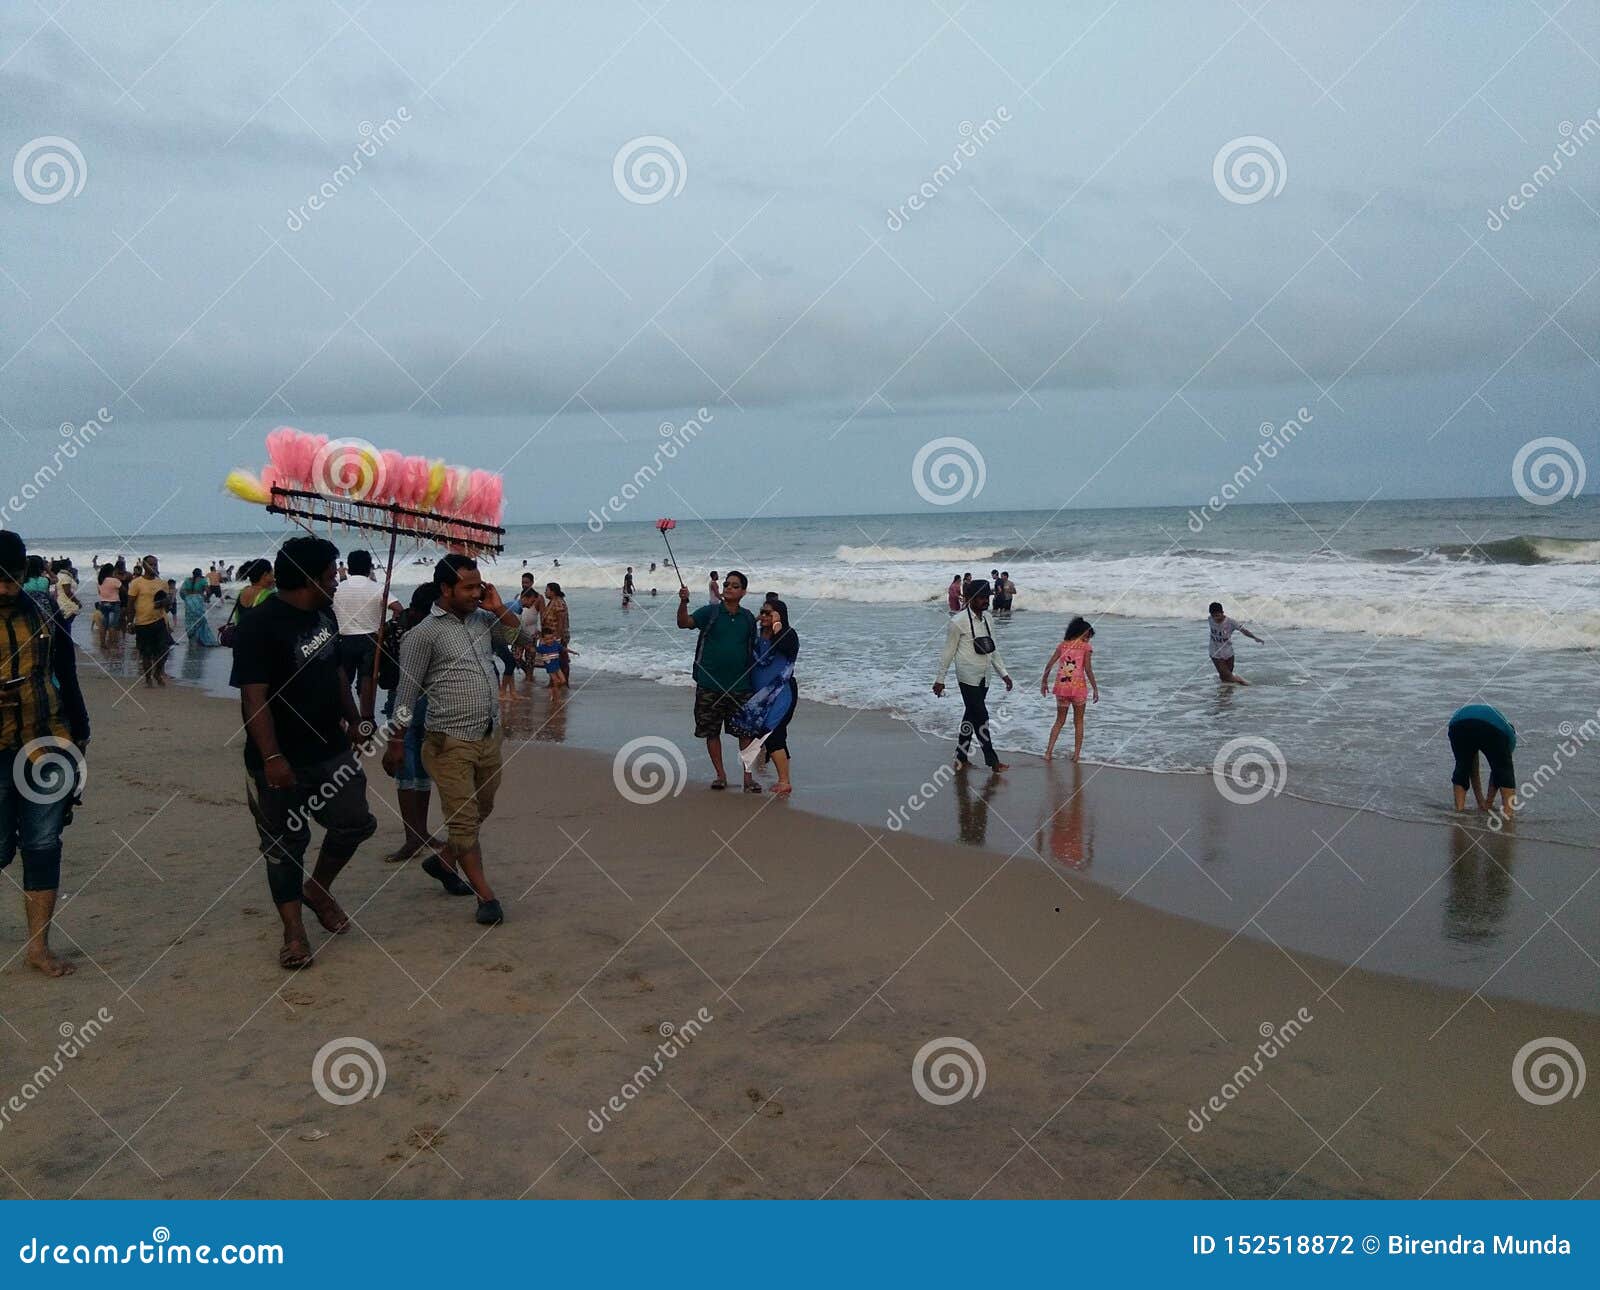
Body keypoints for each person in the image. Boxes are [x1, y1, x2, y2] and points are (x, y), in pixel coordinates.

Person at [229, 537, 378, 969]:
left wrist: (355, 719)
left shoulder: (325, 615)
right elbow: (253, 698)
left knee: (355, 822)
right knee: (284, 845)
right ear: (310, 578)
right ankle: (293, 933)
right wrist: (272, 758)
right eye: (331, 574)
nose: (337, 581)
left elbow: (336, 674)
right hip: (279, 757)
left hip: (331, 749)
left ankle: (318, 887)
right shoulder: (259, 625)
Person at [386, 555, 528, 925]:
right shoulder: (423, 635)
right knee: (463, 820)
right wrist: (396, 741)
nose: (476, 592)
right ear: (446, 589)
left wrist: (498, 608)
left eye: (479, 585)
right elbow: (406, 693)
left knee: (483, 807)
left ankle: (445, 861)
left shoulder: (484, 620)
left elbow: (522, 640)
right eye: (468, 587)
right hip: (448, 742)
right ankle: (486, 897)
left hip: (488, 736)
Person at [0, 531, 90, 977]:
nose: (5, 588)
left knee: (43, 845)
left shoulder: (44, 611)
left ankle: (38, 948)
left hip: (45, 743)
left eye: (12, 578)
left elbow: (66, 674)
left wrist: (81, 736)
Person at [677, 569, 758, 790]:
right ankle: (720, 775)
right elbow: (683, 623)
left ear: (743, 592)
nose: (729, 588)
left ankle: (748, 777)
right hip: (709, 684)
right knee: (711, 732)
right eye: (726, 584)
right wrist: (683, 602)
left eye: (734, 585)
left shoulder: (748, 618)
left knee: (746, 733)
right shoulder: (710, 612)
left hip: (741, 685)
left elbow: (754, 648)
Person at [383, 583, 444, 864]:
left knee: (422, 768)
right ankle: (412, 836)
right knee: (406, 770)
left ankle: (421, 832)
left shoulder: (406, 627)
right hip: (404, 700)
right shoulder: (399, 631)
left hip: (429, 700)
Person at [933, 578, 1012, 771]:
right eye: (981, 598)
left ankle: (961, 755)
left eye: (987, 597)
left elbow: (993, 649)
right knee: (981, 717)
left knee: (970, 715)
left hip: (985, 676)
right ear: (969, 598)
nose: (986, 601)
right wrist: (940, 679)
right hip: (967, 676)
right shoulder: (958, 622)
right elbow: (948, 652)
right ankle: (992, 760)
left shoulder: (989, 619)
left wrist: (1004, 674)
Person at [730, 597, 799, 796]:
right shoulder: (757, 636)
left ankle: (784, 782)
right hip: (760, 697)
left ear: (779, 615)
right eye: (762, 612)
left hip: (781, 693)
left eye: (769, 612)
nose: (764, 615)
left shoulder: (788, 634)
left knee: (773, 735)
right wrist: (754, 620)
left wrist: (777, 624)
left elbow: (787, 647)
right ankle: (784, 779)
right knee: (774, 735)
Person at [333, 549, 384, 719]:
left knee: (344, 680)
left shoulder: (337, 588)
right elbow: (397, 608)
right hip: (370, 638)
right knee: (366, 678)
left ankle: (343, 718)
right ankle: (367, 717)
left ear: (349, 567)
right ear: (369, 567)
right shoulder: (377, 587)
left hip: (344, 638)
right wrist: (385, 627)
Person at [1448, 703, 1518, 820]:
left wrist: (1481, 801)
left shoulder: (1502, 724)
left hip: (1458, 723)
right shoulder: (1509, 737)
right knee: (1505, 772)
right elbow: (1499, 772)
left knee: (1462, 766)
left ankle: (1459, 812)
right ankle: (1508, 816)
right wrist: (1489, 802)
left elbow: (1472, 769)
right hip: (1491, 726)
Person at [1042, 617, 1097, 762]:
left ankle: (1048, 752)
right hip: (1078, 689)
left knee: (1059, 721)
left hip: (1061, 688)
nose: (1088, 639)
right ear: (1081, 632)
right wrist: (1095, 688)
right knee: (1078, 722)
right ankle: (1076, 755)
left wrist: (1044, 682)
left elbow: (1049, 665)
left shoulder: (1062, 645)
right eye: (1087, 636)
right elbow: (1088, 670)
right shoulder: (1086, 648)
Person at [126, 556, 169, 687]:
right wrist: (129, 622)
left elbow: (167, 605)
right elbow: (130, 604)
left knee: (164, 651)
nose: (154, 567)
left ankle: (158, 673)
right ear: (144, 566)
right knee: (146, 653)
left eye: (155, 564)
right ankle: (148, 678)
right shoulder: (136, 583)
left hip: (159, 621)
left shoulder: (162, 583)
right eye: (151, 564)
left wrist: (166, 602)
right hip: (143, 623)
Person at [1207, 601, 1262, 685]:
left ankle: (1226, 692)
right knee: (1228, 676)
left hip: (1229, 652)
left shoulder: (1231, 622)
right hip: (1215, 653)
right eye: (1213, 616)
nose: (1215, 618)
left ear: (1222, 612)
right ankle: (1246, 684)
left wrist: (1254, 638)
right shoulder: (1210, 619)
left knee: (1225, 678)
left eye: (1217, 615)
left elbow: (1244, 630)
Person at [180, 568, 219, 647]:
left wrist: (186, 598)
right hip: (198, 601)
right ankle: (201, 639)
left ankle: (192, 639)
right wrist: (206, 598)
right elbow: (208, 591)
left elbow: (182, 592)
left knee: (189, 620)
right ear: (200, 574)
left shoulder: (187, 580)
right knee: (201, 620)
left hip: (189, 602)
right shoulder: (203, 581)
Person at [542, 582, 571, 680]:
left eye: (547, 590)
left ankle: (564, 682)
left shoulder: (558, 602)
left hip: (557, 636)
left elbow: (561, 621)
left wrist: (558, 637)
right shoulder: (552, 601)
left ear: (553, 592)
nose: (545, 592)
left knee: (562, 660)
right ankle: (555, 681)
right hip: (552, 636)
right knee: (553, 659)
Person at [96, 563, 123, 650]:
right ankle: (112, 644)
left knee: (104, 625)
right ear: (112, 571)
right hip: (114, 604)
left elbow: (100, 593)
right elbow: (124, 591)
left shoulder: (100, 580)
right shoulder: (115, 580)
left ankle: (102, 644)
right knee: (112, 625)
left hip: (103, 603)